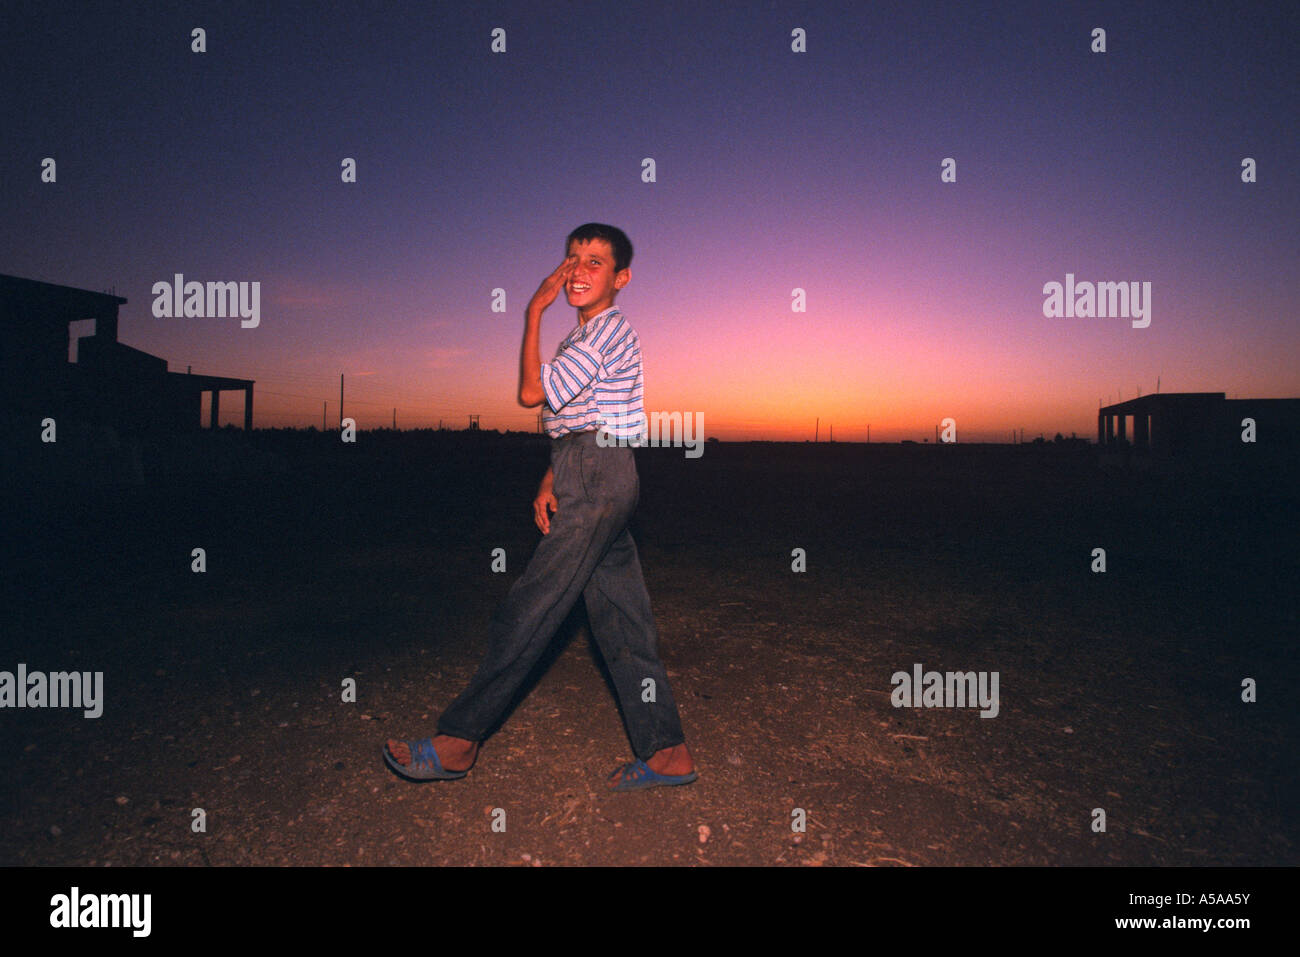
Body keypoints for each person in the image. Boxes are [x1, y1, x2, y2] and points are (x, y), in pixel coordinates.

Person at [384, 223, 696, 791]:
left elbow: (532, 394)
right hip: (593, 468)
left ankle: (459, 740)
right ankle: (668, 752)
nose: (578, 269)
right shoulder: (577, 342)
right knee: (622, 617)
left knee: (531, 606)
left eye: (595, 262)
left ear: (620, 278)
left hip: (600, 473)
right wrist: (550, 478)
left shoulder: (608, 332)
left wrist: (534, 309)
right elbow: (570, 419)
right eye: (572, 257)